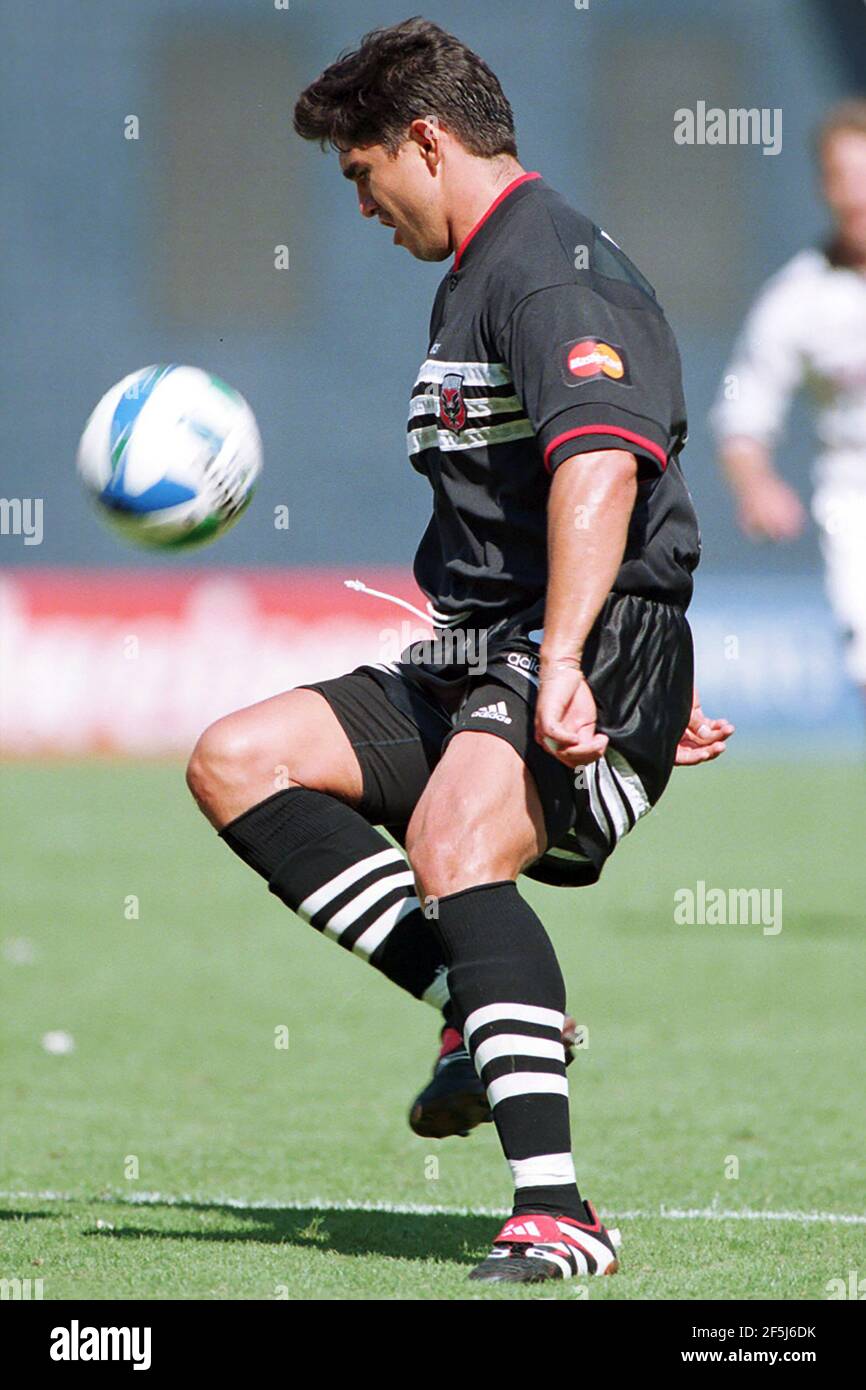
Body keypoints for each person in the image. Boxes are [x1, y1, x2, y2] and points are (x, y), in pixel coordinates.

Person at [186, 17, 732, 1284]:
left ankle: (558, 1213)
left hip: (564, 648)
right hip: (489, 647)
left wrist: (575, 661)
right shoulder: (478, 272)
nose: (363, 207)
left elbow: (598, 466)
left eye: (360, 173)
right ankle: (475, 1009)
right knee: (239, 759)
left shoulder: (549, 272)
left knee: (451, 842)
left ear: (423, 139)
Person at [712, 100, 866, 707]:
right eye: (842, 178)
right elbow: (744, 415)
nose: (855, 195)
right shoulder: (799, 297)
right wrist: (756, 485)